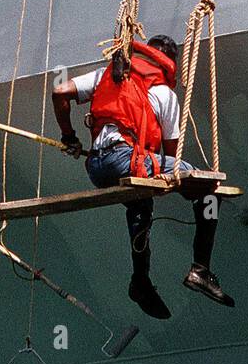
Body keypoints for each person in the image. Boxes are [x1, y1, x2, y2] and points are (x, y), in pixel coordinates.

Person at [52, 35, 234, 320]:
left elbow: (60, 91)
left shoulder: (109, 74)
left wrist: (68, 135)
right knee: (209, 186)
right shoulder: (163, 92)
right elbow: (174, 162)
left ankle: (140, 282)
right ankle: (200, 268)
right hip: (125, 160)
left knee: (141, 204)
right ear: (169, 63)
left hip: (97, 168)